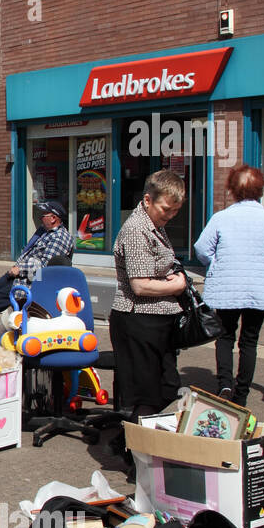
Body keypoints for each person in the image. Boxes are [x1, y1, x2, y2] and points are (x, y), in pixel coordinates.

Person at [194, 165, 264, 406]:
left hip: (226, 289)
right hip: (258, 290)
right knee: (249, 341)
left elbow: (201, 248)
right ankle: (241, 393)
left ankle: (224, 384)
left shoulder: (221, 218)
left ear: (232, 190)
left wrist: (215, 263)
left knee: (225, 336)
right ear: (260, 191)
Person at [110, 170, 189, 417]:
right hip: (138, 320)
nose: (171, 216)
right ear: (147, 200)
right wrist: (177, 286)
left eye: (176, 211)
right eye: (166, 209)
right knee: (148, 392)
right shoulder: (137, 230)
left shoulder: (154, 225)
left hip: (156, 320)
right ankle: (132, 445)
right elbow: (140, 285)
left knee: (166, 386)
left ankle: (135, 441)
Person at [0, 201, 75, 312]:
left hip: (29, 281)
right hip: (18, 275)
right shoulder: (44, 232)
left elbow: (45, 267)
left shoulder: (60, 238)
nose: (40, 218)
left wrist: (20, 269)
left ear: (53, 218)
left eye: (43, 215)